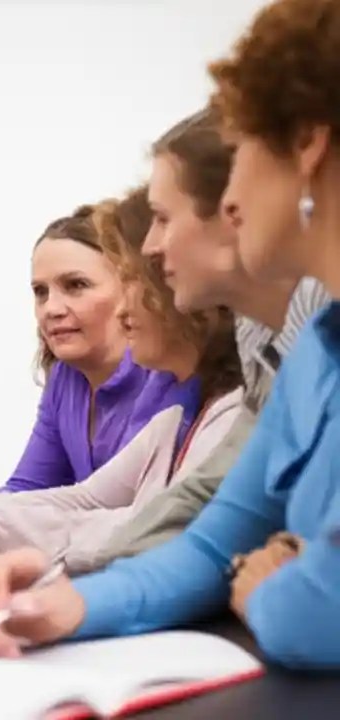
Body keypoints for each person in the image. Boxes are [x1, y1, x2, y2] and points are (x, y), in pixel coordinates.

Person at [0, 0, 340, 669]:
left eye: (243, 148)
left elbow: (319, 613)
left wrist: (271, 595)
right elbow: (213, 545)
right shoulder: (313, 351)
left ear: (306, 144)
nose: (229, 197)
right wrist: (70, 609)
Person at [0, 190, 244, 574]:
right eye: (40, 292)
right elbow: (40, 491)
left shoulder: (175, 386)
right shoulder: (67, 379)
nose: (51, 308)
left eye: (76, 285)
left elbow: (139, 523)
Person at [92, 107, 329, 567]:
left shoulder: (314, 320)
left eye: (162, 218)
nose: (150, 248)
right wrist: (87, 584)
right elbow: (227, 503)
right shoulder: (260, 332)